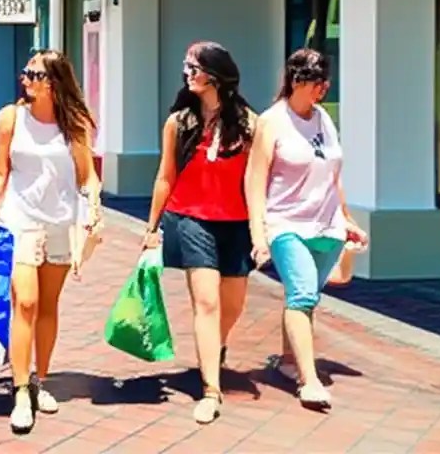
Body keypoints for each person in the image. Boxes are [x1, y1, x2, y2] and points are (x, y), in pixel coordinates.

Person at [0, 50, 100, 434]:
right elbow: (0, 172)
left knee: (48, 305)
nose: (25, 79)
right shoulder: (11, 118)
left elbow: (88, 177)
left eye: (34, 74)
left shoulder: (74, 124)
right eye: (25, 72)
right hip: (20, 219)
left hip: (60, 223)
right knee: (25, 302)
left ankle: (39, 379)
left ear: (53, 82)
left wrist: (94, 206)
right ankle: (19, 391)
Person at [245, 49, 369, 409]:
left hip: (325, 223)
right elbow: (255, 181)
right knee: (302, 296)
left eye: (326, 84)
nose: (324, 91)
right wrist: (259, 233)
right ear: (298, 81)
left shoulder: (324, 120)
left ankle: (287, 361)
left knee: (306, 298)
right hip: (286, 223)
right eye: (319, 84)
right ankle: (308, 379)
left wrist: (347, 220)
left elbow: (333, 174)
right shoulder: (272, 122)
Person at [143, 41, 257, 425]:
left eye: (195, 67)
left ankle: (214, 347)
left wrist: (263, 227)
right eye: (186, 67)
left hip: (236, 222)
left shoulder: (249, 123)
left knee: (234, 304)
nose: (188, 73)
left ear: (217, 74)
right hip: (192, 219)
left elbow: (259, 182)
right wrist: (152, 226)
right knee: (205, 303)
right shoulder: (178, 122)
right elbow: (165, 176)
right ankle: (211, 389)